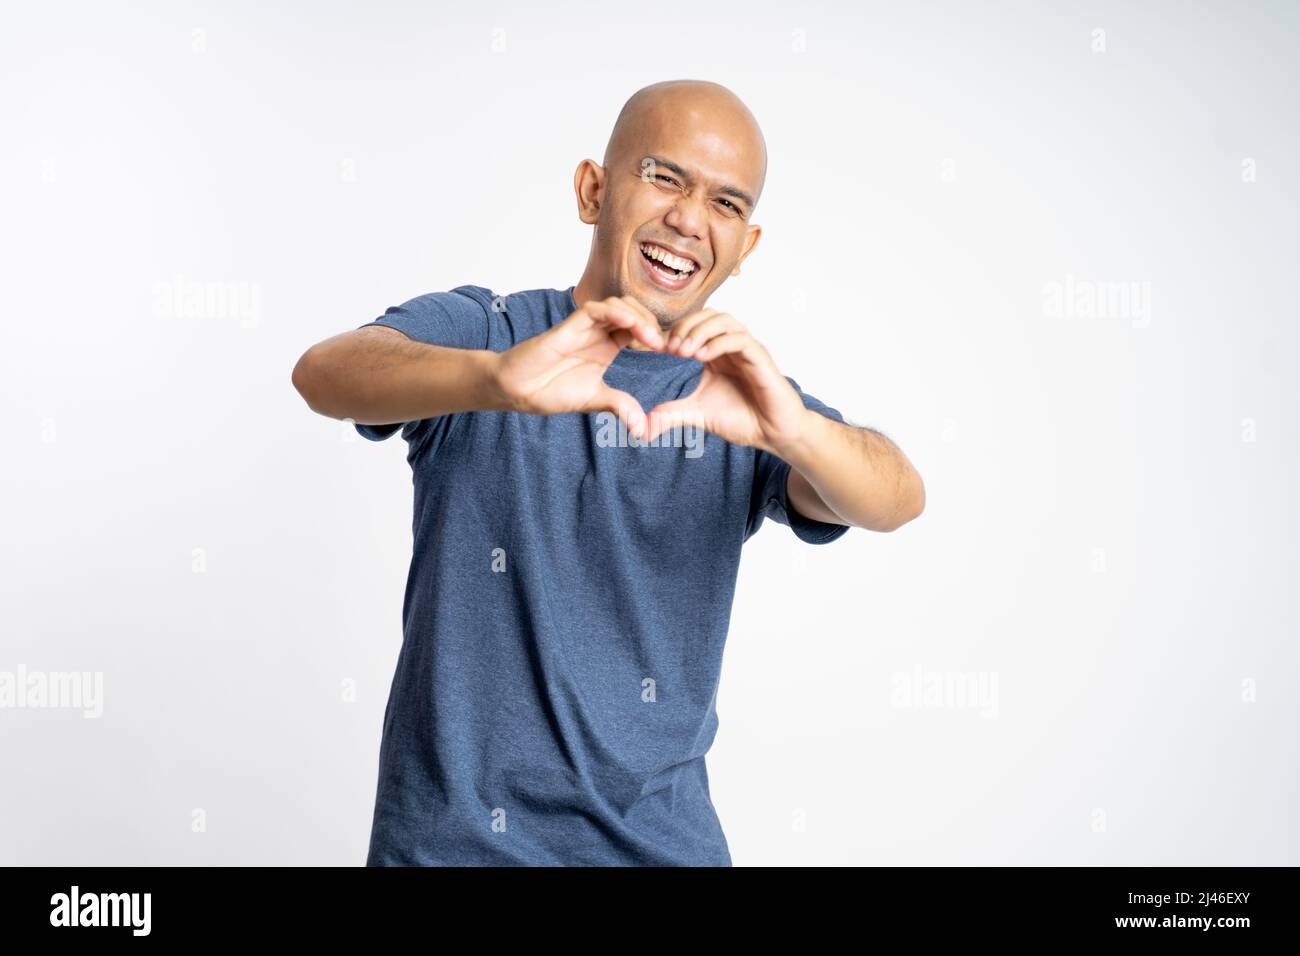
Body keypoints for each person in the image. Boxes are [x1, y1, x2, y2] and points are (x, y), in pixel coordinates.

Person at [291, 79, 925, 866]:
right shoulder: (486, 332)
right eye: (664, 177)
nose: (689, 219)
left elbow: (897, 496)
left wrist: (792, 430)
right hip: (451, 848)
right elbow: (325, 371)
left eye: (726, 204)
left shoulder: (740, 397)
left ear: (746, 247)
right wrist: (494, 380)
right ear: (594, 190)